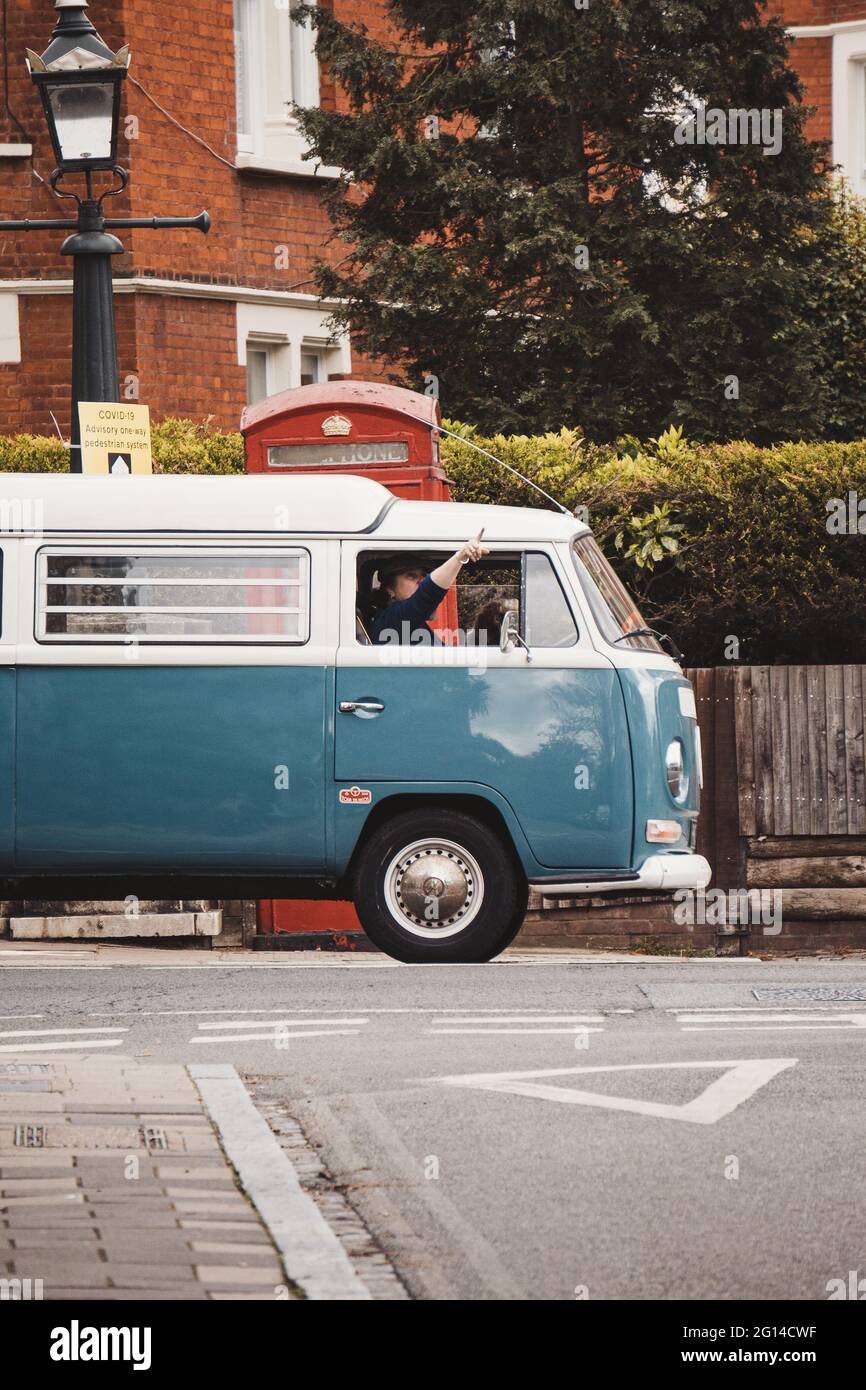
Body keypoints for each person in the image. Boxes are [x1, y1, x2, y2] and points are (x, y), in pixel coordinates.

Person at [372, 532, 490, 645]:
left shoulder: (414, 623)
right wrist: (460, 557)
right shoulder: (391, 619)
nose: (421, 580)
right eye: (411, 576)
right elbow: (426, 596)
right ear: (390, 590)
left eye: (423, 575)